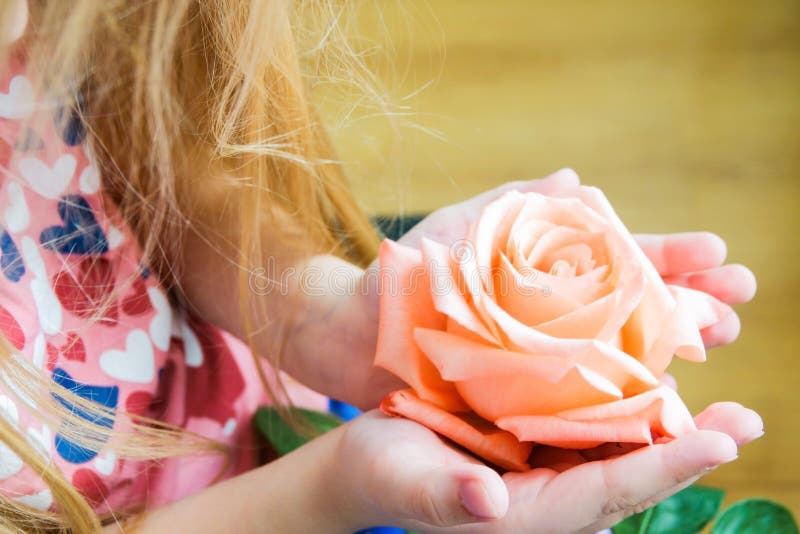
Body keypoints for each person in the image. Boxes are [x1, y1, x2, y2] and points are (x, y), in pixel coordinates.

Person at [0, 1, 762, 532]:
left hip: (284, 400)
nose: (24, 25)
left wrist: (321, 314)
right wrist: (333, 491)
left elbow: (145, 156)